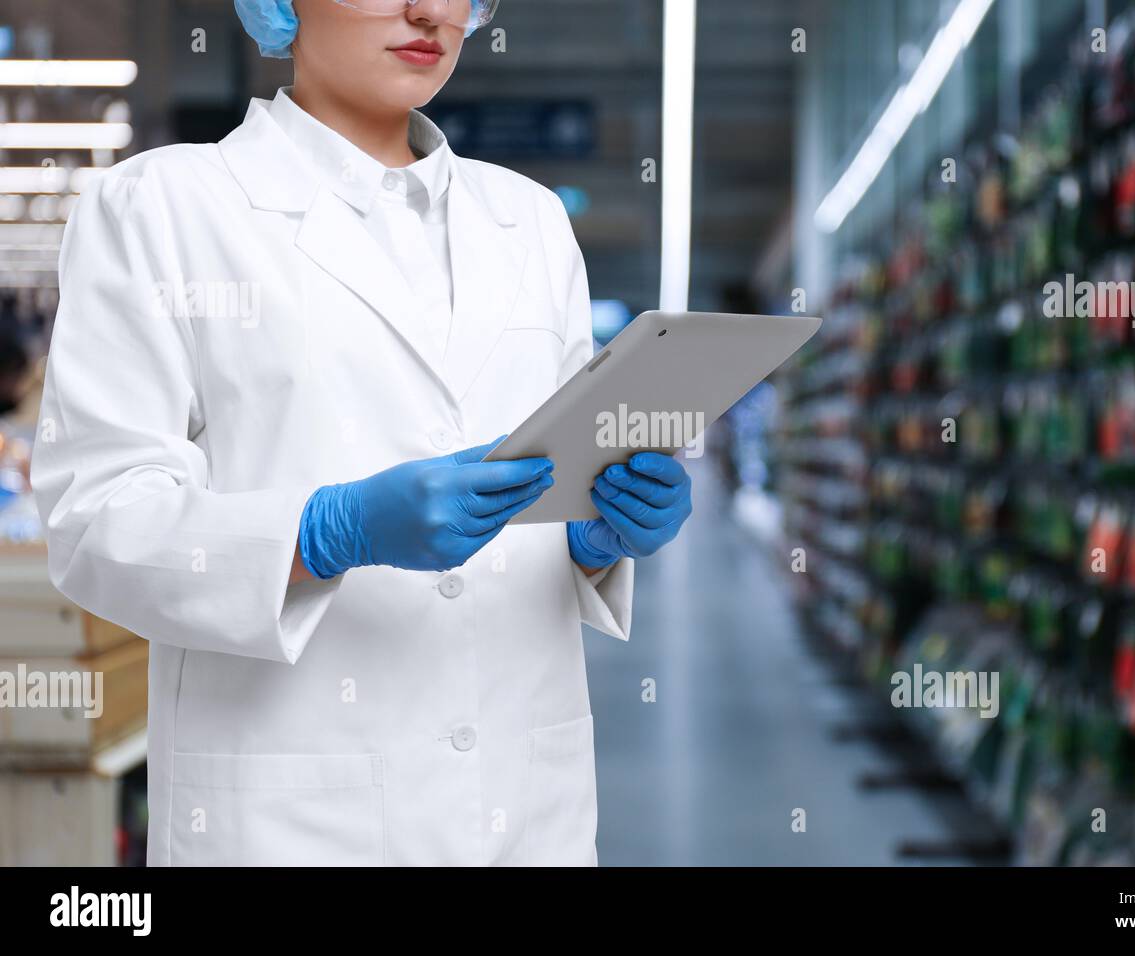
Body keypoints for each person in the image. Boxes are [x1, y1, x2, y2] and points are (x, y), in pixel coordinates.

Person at [30, 0, 692, 866]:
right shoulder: (161, 210)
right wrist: (320, 533)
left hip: (527, 810)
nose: (427, 10)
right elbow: (95, 520)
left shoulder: (530, 223)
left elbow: (555, 471)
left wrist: (597, 533)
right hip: (291, 823)